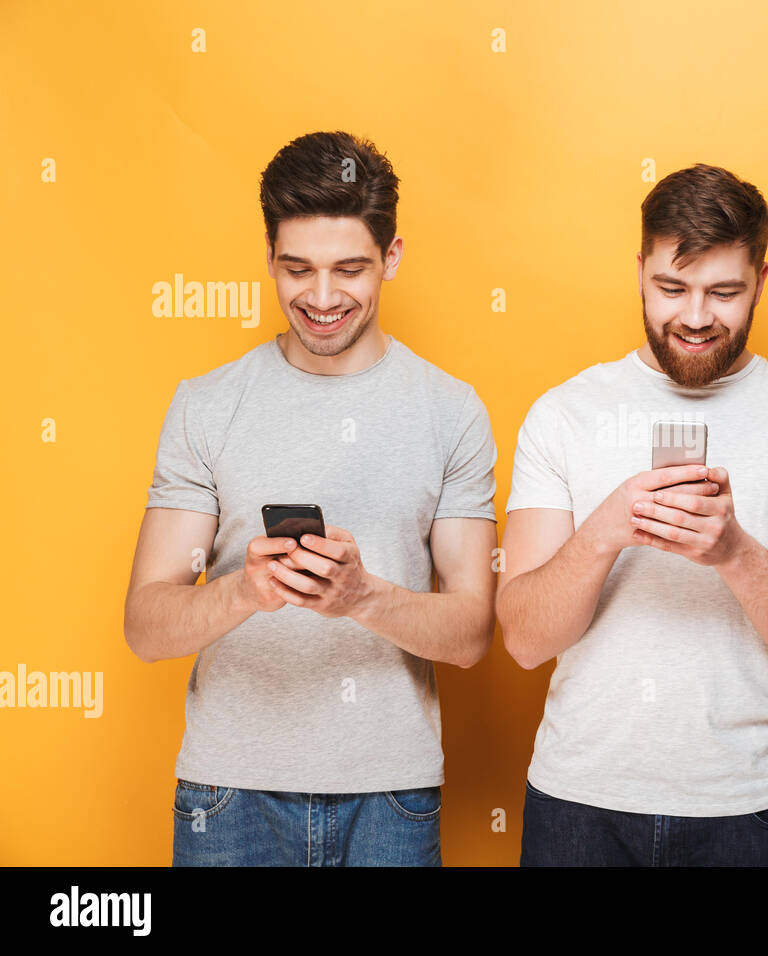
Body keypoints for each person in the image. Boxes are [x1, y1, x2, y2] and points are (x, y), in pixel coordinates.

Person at [123, 130, 498, 866]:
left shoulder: (451, 411)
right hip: (227, 795)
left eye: (349, 269)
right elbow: (145, 624)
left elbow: (471, 634)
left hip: (390, 795)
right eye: (297, 270)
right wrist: (243, 593)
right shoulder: (206, 405)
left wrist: (360, 596)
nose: (322, 299)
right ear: (269, 258)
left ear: (391, 257)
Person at [497, 163, 768, 866]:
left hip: (750, 808)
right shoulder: (563, 415)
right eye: (671, 288)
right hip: (578, 803)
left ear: (762, 280)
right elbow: (523, 640)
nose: (696, 317)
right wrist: (609, 527)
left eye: (724, 292)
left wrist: (735, 551)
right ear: (639, 271)